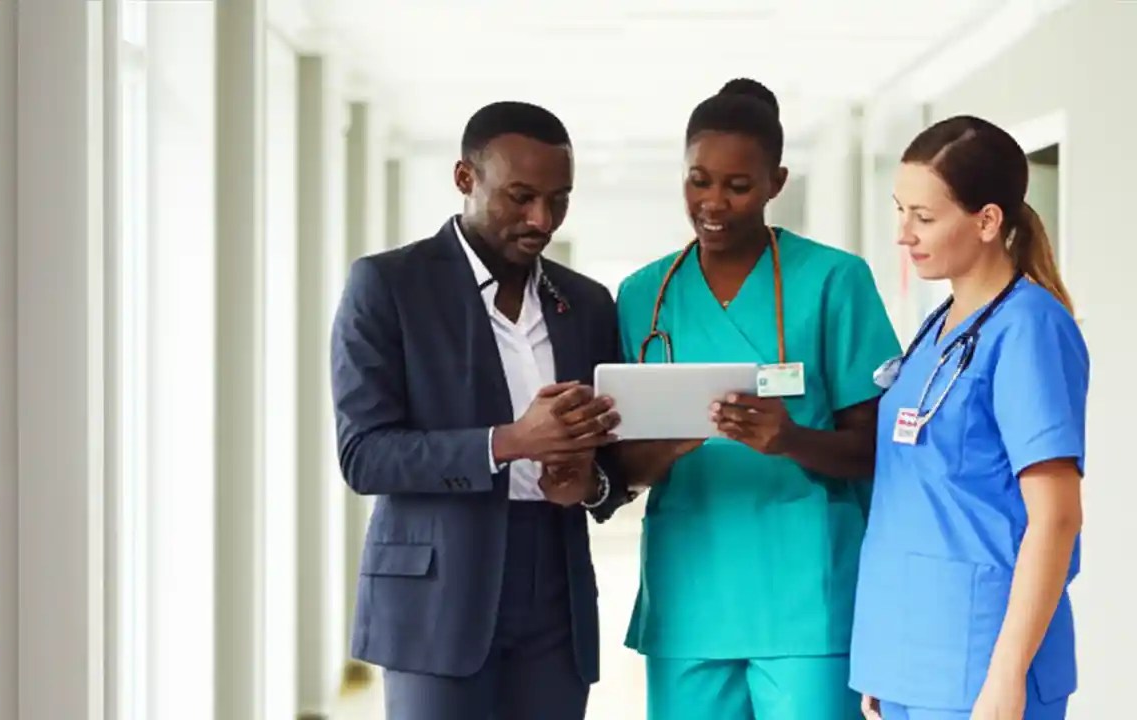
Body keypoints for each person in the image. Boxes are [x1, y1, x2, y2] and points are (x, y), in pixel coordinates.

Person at [330, 100, 635, 720]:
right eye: (520, 196)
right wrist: (510, 441)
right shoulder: (388, 286)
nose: (541, 218)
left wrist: (591, 482)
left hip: (555, 592)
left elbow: (610, 463)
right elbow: (364, 456)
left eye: (559, 199)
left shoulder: (588, 303)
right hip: (436, 593)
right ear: (466, 179)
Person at [612, 78, 901, 719]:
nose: (713, 202)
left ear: (777, 182)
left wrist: (789, 439)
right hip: (690, 589)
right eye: (698, 180)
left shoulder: (834, 280)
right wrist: (667, 443)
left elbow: (881, 448)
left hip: (805, 597)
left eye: (738, 186)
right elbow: (621, 469)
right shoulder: (643, 295)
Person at [850, 116, 1088, 720]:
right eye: (900, 210)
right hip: (911, 659)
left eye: (924, 217)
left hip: (981, 667)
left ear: (987, 221)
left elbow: (1056, 519)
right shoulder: (940, 326)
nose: (903, 234)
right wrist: (887, 657)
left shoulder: (1028, 329)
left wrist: (1006, 678)